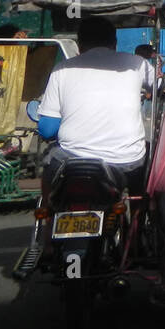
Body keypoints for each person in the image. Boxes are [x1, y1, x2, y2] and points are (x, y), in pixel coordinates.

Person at [36, 16, 153, 198]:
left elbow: (47, 129)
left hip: (71, 158)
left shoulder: (62, 69)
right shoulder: (137, 64)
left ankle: (47, 212)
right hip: (127, 161)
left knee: (49, 163)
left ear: (79, 45)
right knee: (143, 180)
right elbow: (164, 87)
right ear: (114, 43)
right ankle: (139, 212)